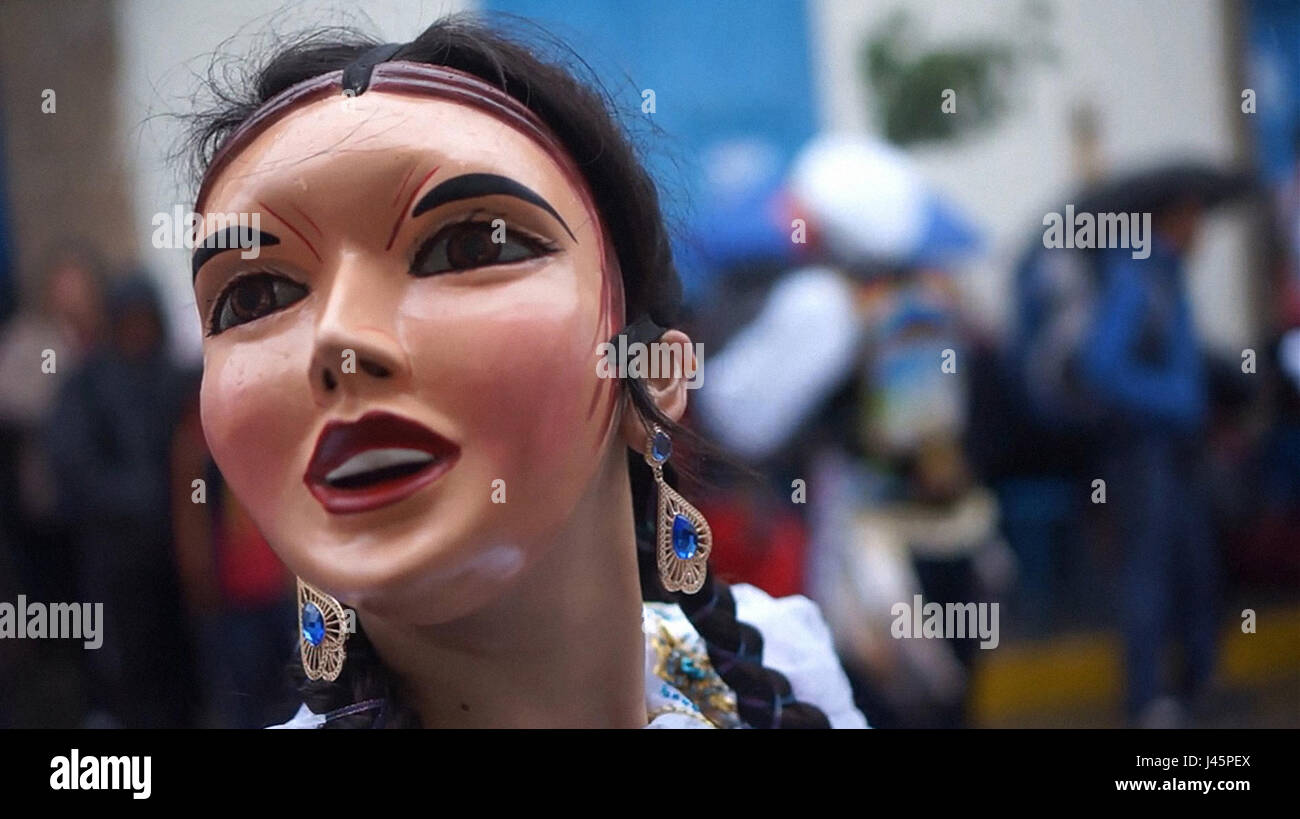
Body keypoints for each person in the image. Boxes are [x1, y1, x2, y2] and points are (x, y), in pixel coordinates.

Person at [184, 15, 866, 729]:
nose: (339, 341)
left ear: (653, 374)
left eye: (467, 247)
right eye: (255, 297)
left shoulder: (789, 672)